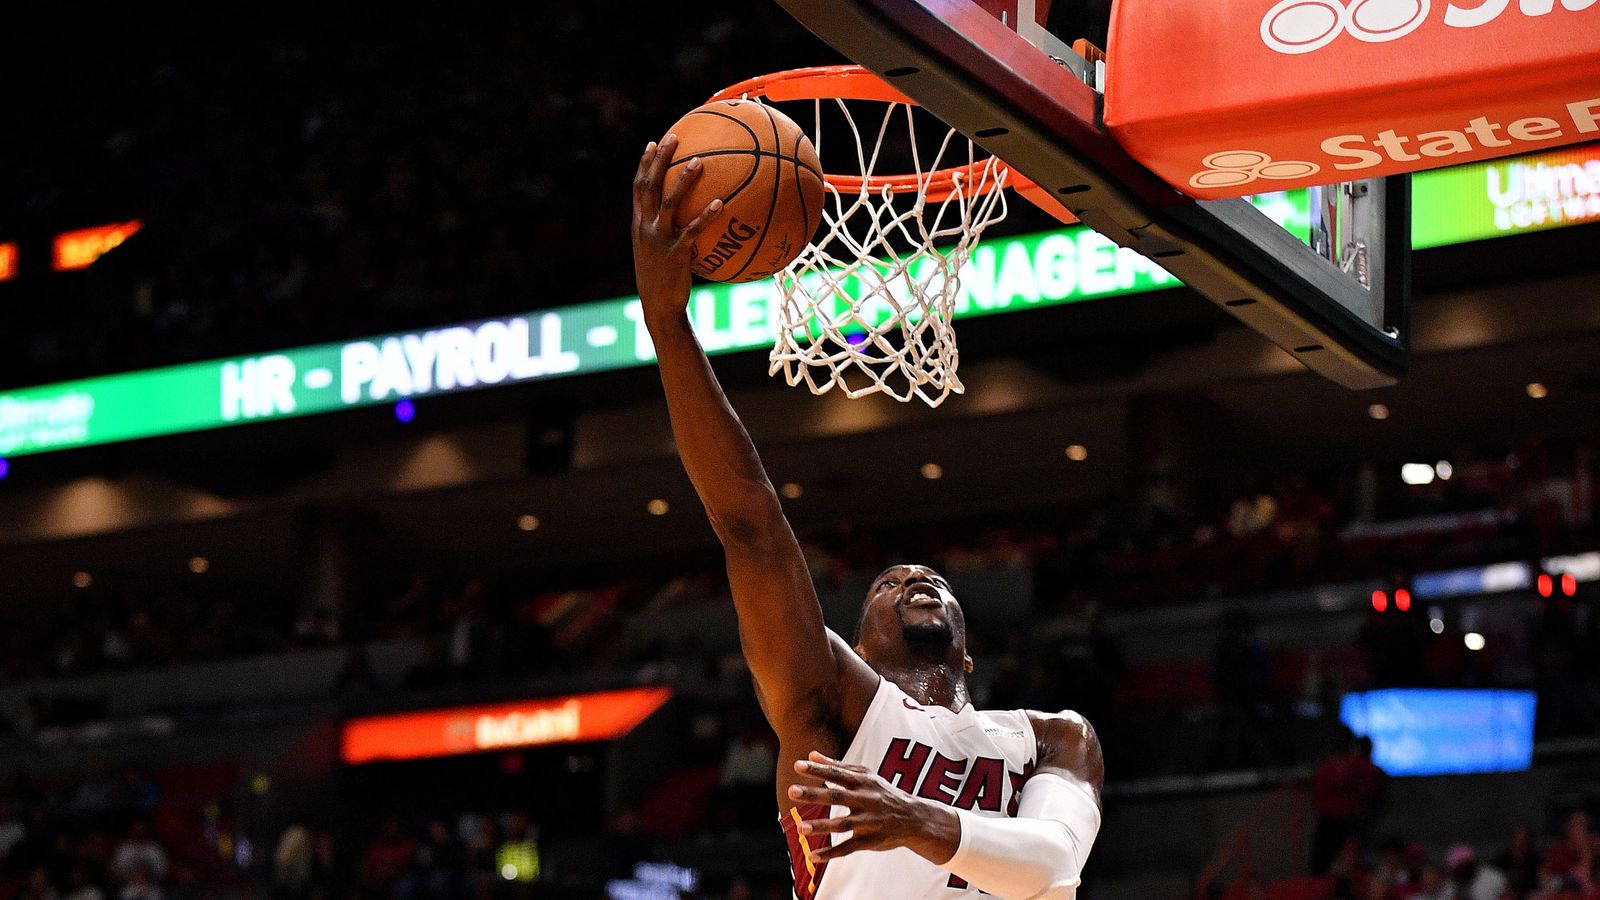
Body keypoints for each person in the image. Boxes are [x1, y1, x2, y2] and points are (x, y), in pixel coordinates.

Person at [631, 133, 1105, 899]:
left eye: (930, 580)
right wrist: (667, 324)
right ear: (852, 644)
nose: (917, 578)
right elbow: (751, 529)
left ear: (971, 651)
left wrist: (915, 818)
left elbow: (1053, 861)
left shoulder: (1052, 737)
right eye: (891, 583)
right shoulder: (834, 707)